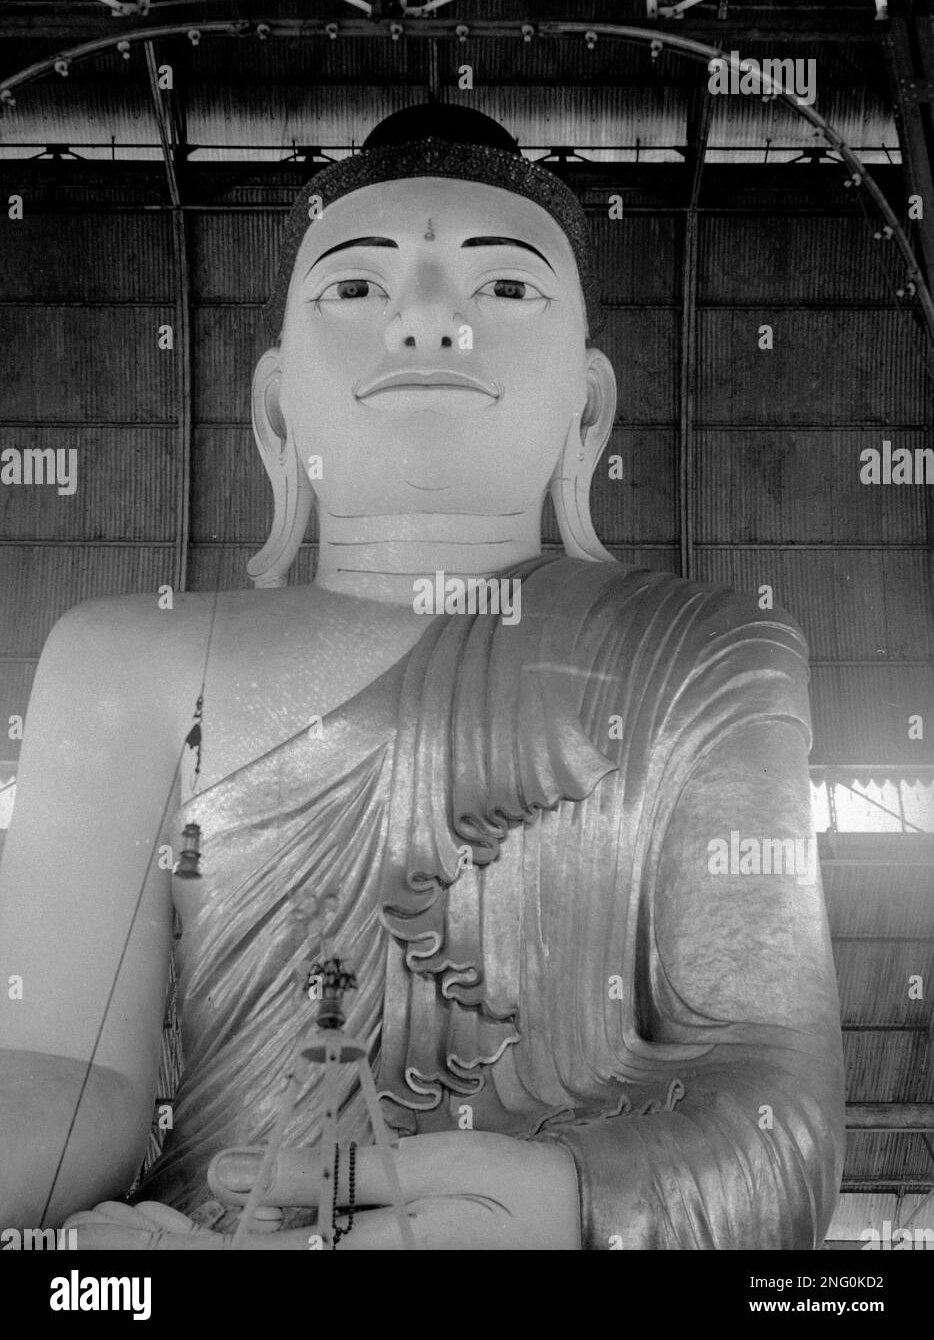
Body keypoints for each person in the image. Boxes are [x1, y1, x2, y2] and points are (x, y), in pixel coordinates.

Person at [0, 104, 844, 1250]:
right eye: (354, 289)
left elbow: (776, 1105)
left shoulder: (700, 650)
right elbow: (65, 1077)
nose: (430, 326)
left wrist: (566, 1204)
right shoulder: (126, 658)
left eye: (504, 290)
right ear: (273, 403)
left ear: (586, 407)